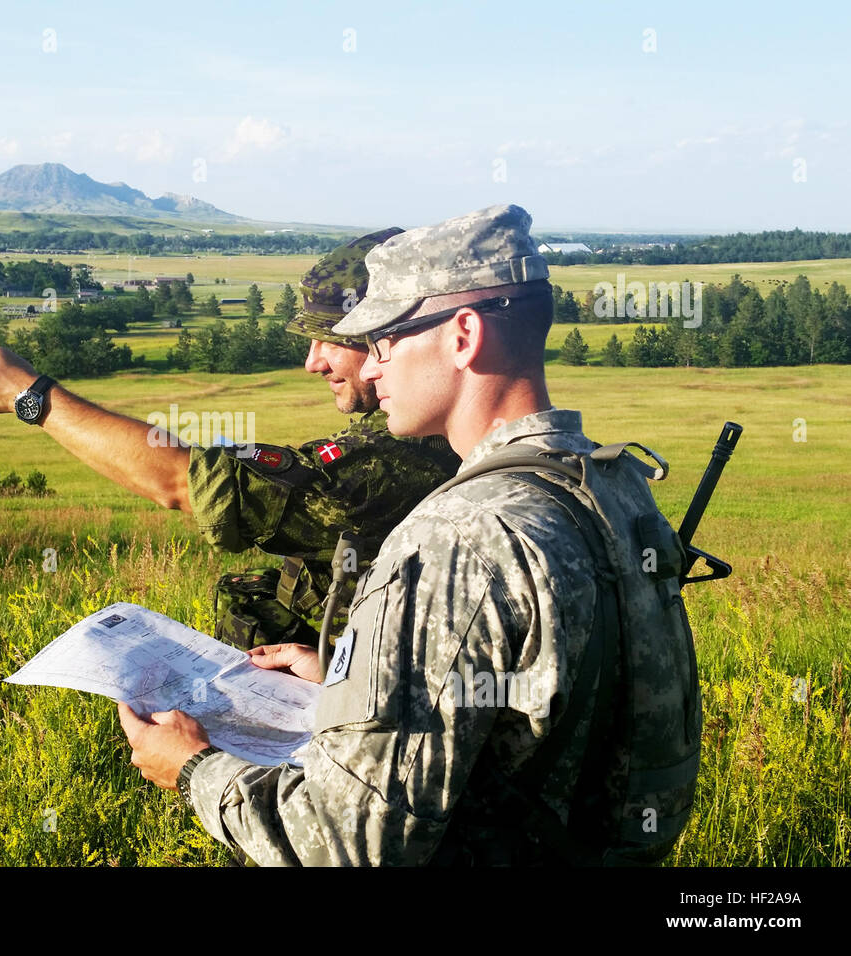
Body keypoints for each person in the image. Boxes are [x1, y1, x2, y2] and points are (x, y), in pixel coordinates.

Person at [117, 204, 702, 866]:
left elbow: (347, 847)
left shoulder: (459, 536)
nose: (371, 370)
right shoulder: (618, 485)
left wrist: (195, 769)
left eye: (385, 341)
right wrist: (349, 691)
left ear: (462, 336)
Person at [0, 231, 461, 649]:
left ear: (401, 332)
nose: (311, 362)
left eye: (332, 339)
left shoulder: (405, 452)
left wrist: (31, 397)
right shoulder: (413, 430)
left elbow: (182, 483)